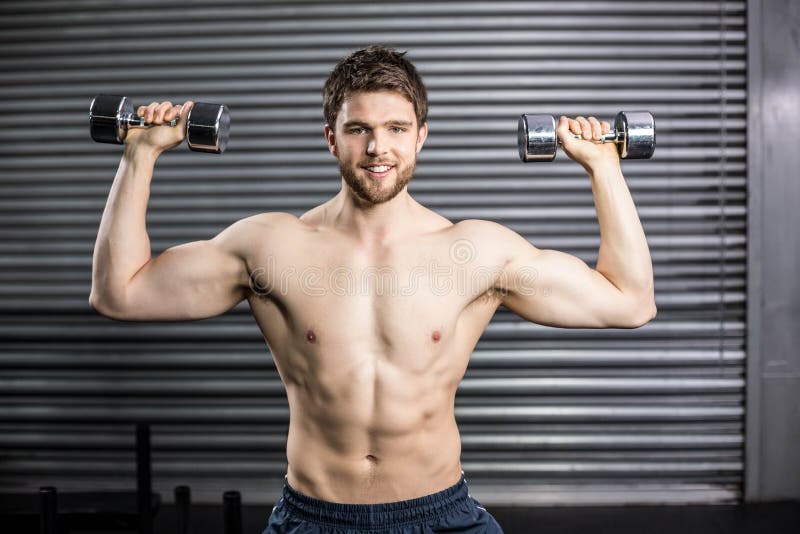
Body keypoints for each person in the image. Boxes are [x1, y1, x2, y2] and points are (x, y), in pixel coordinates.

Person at [89, 45, 656, 533]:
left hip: (441, 514)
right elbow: (121, 293)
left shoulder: (476, 252)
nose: (378, 148)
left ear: (421, 137)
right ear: (331, 138)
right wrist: (140, 154)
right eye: (358, 129)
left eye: (396, 129)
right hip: (314, 518)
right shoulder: (270, 246)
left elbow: (630, 302)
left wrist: (603, 166)